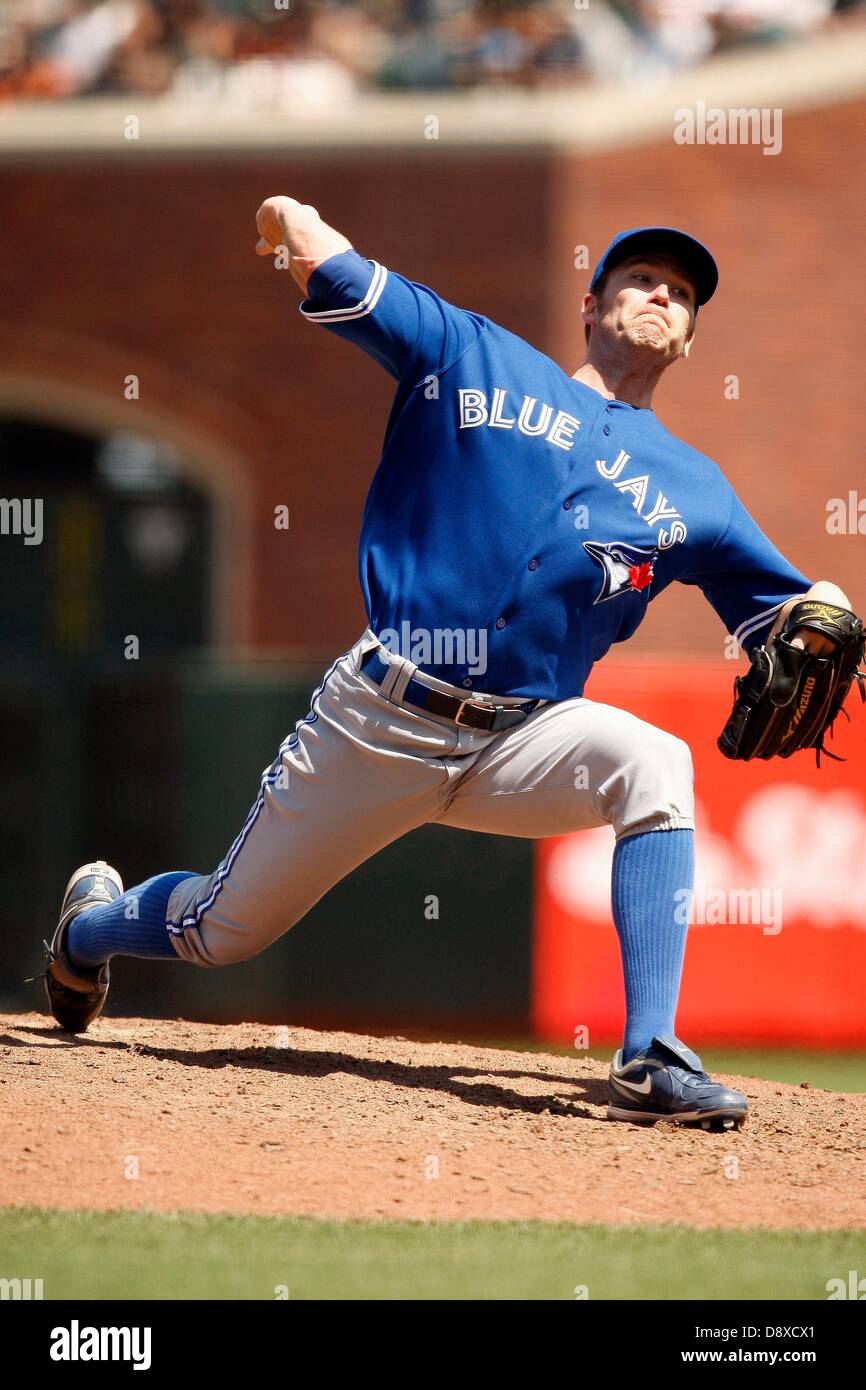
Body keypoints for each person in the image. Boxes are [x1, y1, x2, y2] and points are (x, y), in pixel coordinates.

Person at [40, 200, 852, 1132]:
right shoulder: (474, 355)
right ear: (590, 306)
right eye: (641, 280)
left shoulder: (697, 489)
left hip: (525, 735)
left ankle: (650, 1056)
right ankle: (88, 929)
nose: (662, 296)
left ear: (691, 341)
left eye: (681, 294)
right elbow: (342, 275)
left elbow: (786, 619)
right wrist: (288, 216)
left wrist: (826, 610)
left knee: (657, 766)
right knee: (224, 933)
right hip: (379, 718)